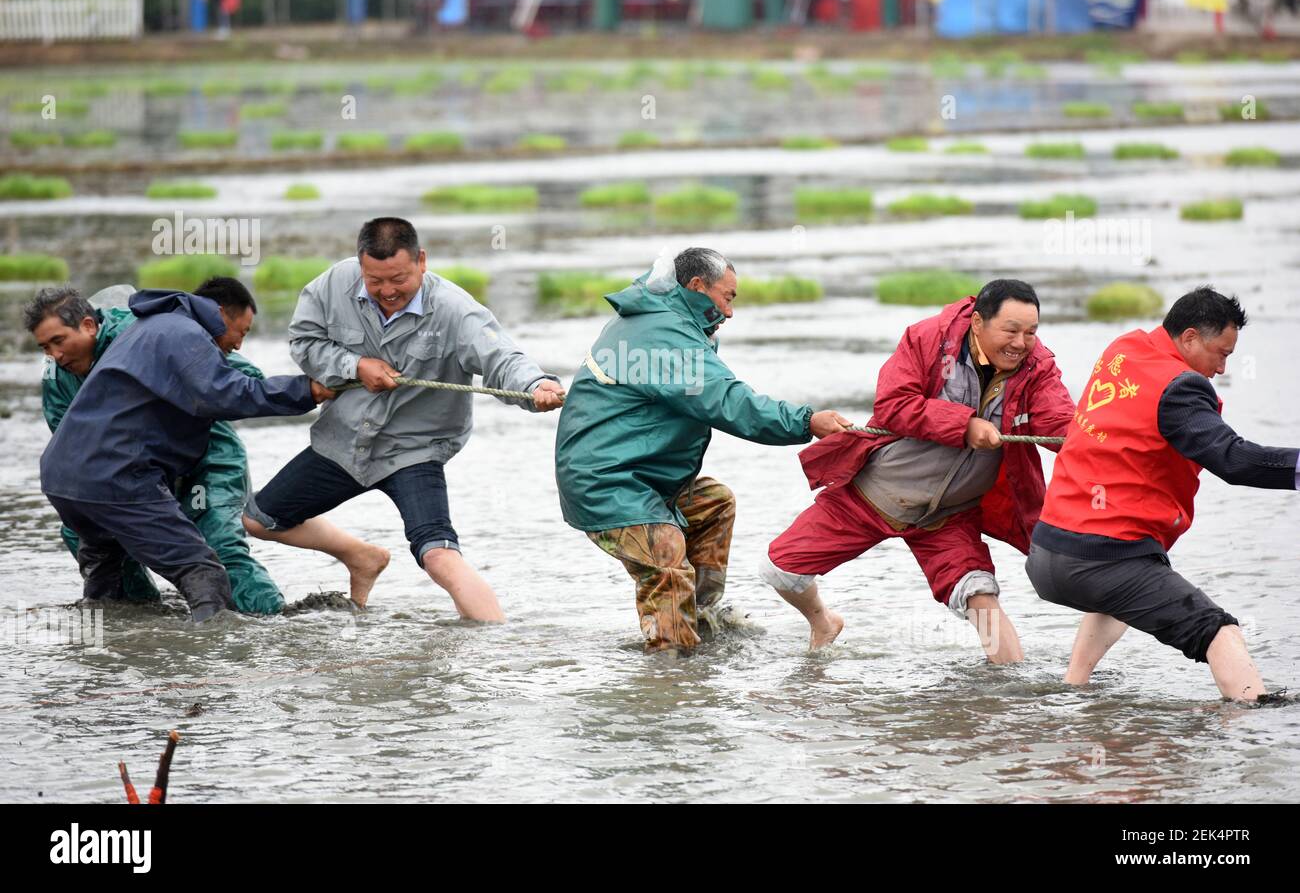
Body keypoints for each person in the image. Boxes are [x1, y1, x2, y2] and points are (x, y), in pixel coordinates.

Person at [243, 217, 565, 619]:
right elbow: (304, 342)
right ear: (360, 264)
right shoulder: (331, 285)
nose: (387, 291)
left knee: (437, 556)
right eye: (374, 281)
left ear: (422, 261)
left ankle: (497, 641)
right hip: (345, 441)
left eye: (398, 279)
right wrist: (355, 365)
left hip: (414, 450)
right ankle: (361, 556)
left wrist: (536, 386)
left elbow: (503, 359)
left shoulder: (455, 310)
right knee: (259, 520)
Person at [554, 247, 851, 653]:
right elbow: (725, 400)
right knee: (666, 558)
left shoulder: (665, 320)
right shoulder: (662, 334)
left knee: (714, 504)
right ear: (696, 286)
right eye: (727, 298)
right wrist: (804, 421)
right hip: (605, 481)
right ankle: (671, 666)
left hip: (642, 476)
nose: (729, 313)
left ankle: (701, 619)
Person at [762, 280, 1075, 659]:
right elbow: (894, 403)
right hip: (873, 495)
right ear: (978, 323)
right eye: (1010, 331)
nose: (1021, 343)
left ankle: (1011, 690)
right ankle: (823, 621)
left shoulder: (1037, 366)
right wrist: (965, 425)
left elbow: (1060, 424)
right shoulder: (929, 338)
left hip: (949, 515)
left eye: (1031, 332)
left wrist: (1096, 439)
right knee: (779, 570)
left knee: (980, 595)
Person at [1026, 287, 1298, 701]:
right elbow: (1235, 461)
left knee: (1127, 583)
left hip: (1047, 555)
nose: (1222, 368)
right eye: (1221, 353)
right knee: (1218, 630)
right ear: (1189, 338)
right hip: (1099, 558)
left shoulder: (1125, 349)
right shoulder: (1179, 390)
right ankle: (1254, 726)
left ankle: (1072, 689)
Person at [39, 281, 332, 623]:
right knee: (204, 570)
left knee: (108, 572)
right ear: (219, 316)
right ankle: (234, 646)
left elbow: (238, 379)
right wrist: (307, 389)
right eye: (240, 332)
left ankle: (116, 643)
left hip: (74, 478)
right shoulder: (181, 333)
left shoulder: (146, 327)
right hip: (121, 474)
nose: (238, 344)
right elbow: (228, 393)